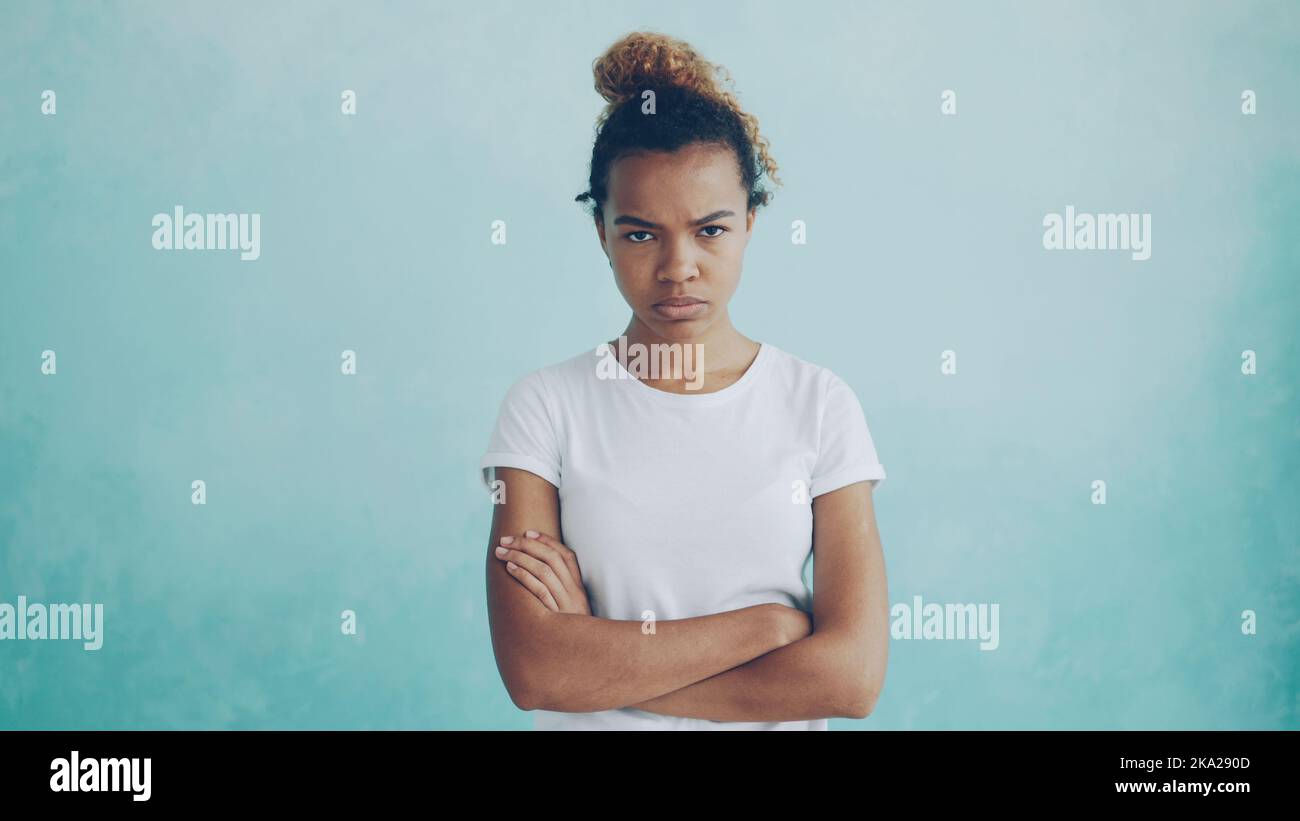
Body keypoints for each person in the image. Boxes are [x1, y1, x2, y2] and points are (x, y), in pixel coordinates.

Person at [479, 31, 889, 730]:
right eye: (640, 233)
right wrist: (766, 626)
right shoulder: (545, 408)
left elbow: (850, 680)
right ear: (601, 231)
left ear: (751, 223)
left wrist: (596, 669)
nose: (678, 267)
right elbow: (534, 670)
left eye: (711, 230)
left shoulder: (820, 406)